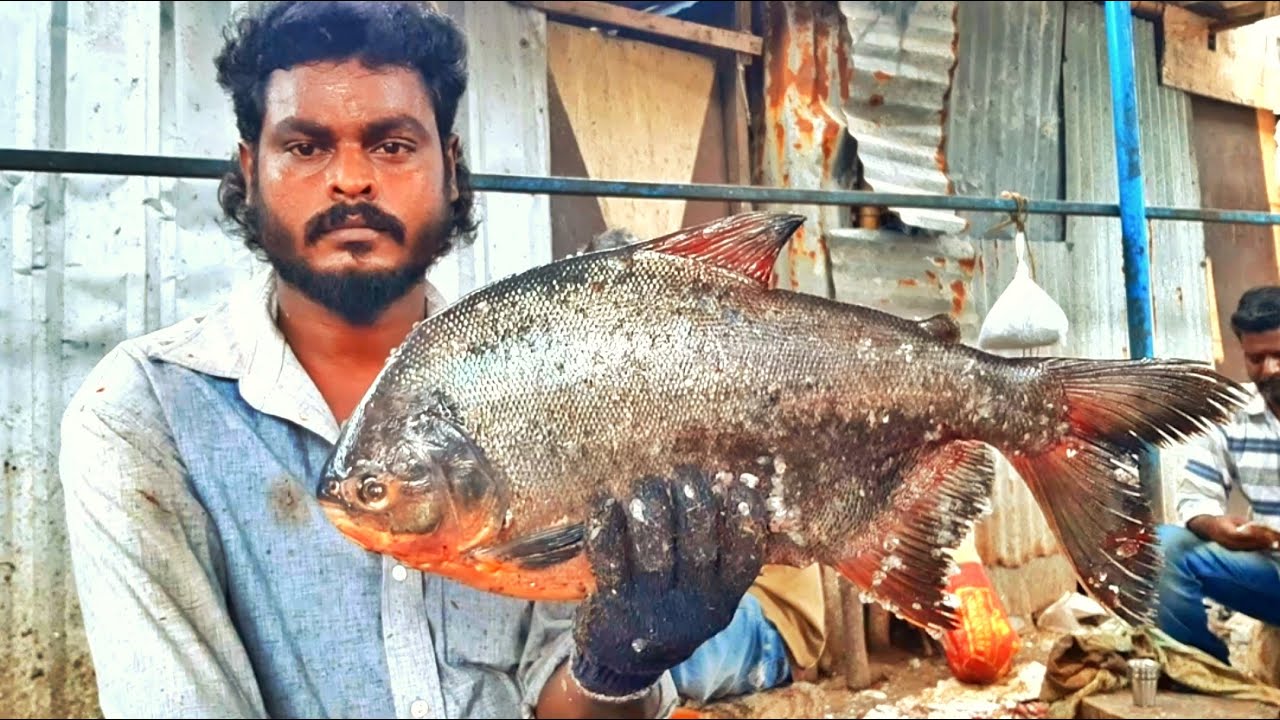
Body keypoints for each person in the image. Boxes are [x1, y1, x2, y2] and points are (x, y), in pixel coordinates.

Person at [56, 2, 784, 717]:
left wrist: (617, 667)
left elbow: (565, 705)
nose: (351, 179)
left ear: (451, 167)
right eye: (305, 146)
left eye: (392, 145)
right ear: (250, 170)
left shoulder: (550, 383)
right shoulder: (142, 416)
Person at [1156, 285, 1280, 664]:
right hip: (1272, 573)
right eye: (1256, 358)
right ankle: (1203, 673)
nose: (1270, 369)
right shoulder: (1233, 413)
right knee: (1162, 547)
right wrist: (1219, 528)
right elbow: (1195, 498)